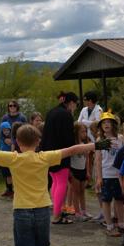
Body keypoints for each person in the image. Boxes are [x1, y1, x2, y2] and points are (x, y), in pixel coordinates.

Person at [41, 92, 79, 224]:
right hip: (61, 152)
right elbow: (68, 136)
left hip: (47, 151)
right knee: (62, 182)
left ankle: (57, 209)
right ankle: (57, 215)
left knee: (55, 182)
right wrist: (72, 149)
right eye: (75, 104)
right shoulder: (66, 114)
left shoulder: (51, 112)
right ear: (72, 103)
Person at [94, 112, 124, 235]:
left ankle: (122, 224)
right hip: (106, 174)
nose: (106, 125)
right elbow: (98, 159)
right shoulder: (100, 140)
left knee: (119, 199)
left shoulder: (120, 138)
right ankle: (109, 226)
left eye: (108, 122)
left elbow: (123, 155)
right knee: (106, 200)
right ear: (100, 126)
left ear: (113, 124)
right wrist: (99, 177)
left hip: (118, 175)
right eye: (104, 123)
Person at [69, 122, 92, 221]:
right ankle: (77, 212)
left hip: (83, 170)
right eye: (82, 131)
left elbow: (87, 159)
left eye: (85, 131)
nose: (85, 134)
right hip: (74, 170)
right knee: (76, 191)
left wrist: (87, 171)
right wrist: (70, 172)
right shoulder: (72, 144)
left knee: (82, 191)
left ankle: (84, 210)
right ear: (76, 132)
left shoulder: (85, 144)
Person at [0, 121, 15, 198]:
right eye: (4, 130)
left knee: (9, 175)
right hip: (2, 157)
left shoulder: (10, 139)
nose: (6, 132)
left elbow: (11, 145)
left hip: (9, 157)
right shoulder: (2, 138)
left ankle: (11, 190)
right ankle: (8, 190)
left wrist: (11, 154)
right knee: (6, 175)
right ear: (1, 131)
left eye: (8, 130)